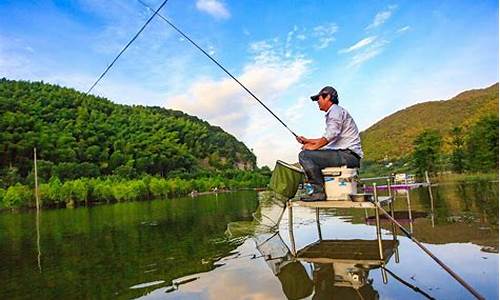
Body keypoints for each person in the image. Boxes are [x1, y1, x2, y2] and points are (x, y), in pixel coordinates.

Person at [296, 86, 363, 201]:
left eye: (319, 98)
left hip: (347, 155)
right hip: (347, 155)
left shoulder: (334, 111)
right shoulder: (337, 111)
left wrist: (313, 148)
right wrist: (308, 141)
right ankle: (320, 189)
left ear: (328, 97)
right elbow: (330, 137)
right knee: (307, 151)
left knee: (304, 155)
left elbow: (330, 135)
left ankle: (318, 192)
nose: (317, 101)